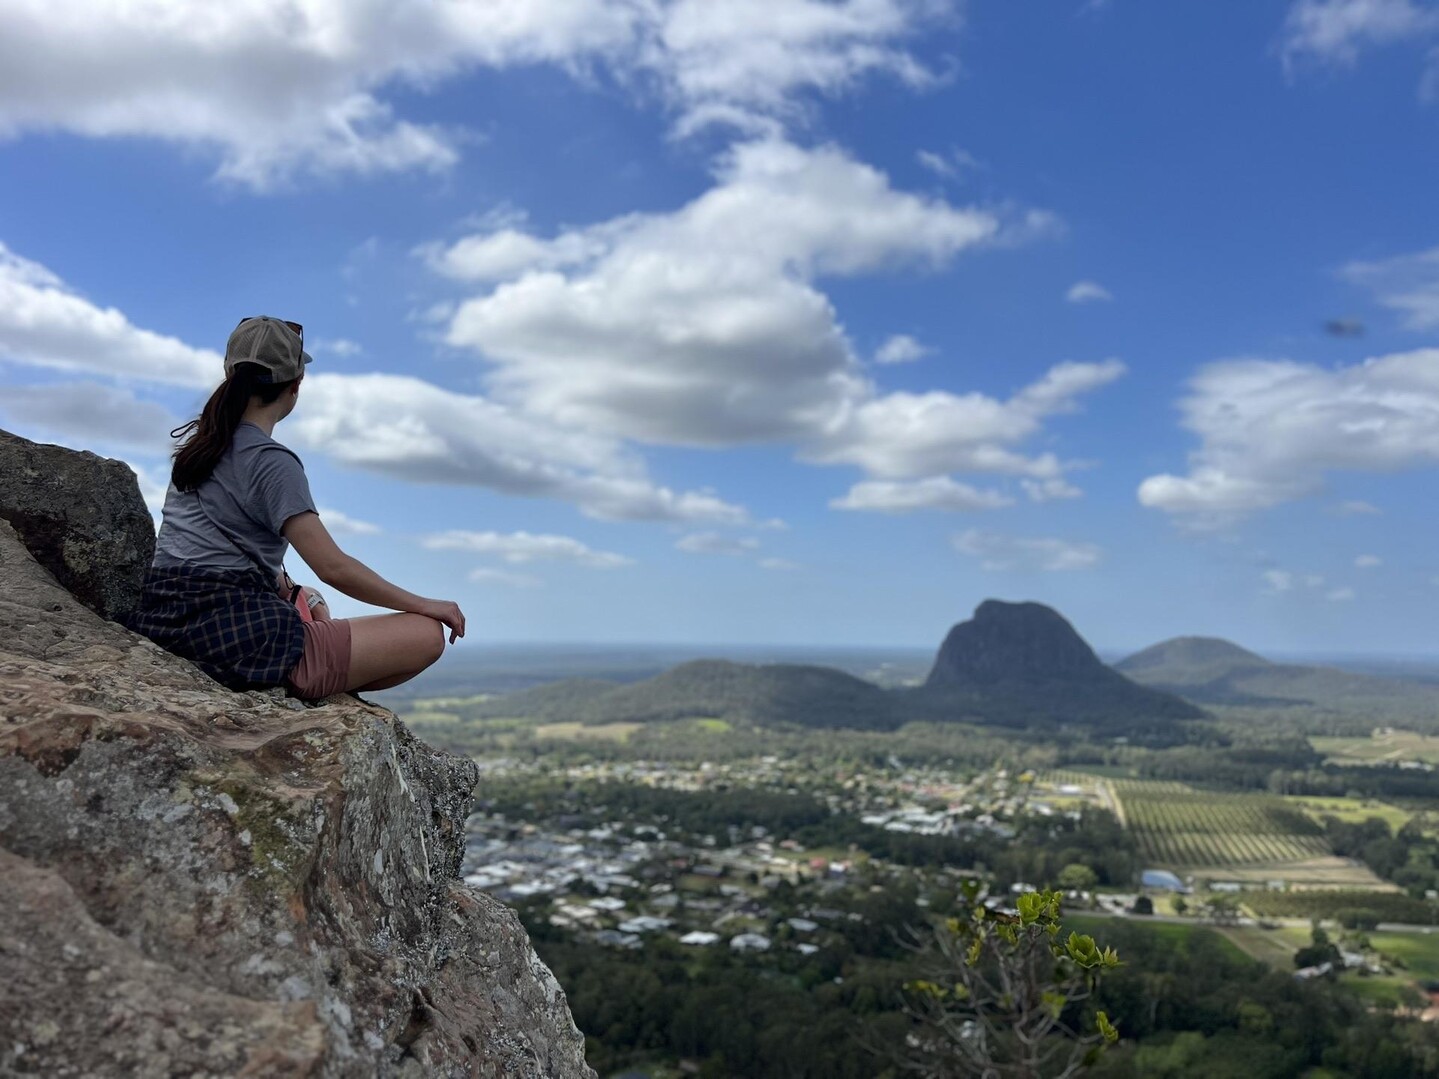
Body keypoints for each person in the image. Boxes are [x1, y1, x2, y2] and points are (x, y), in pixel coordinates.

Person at [128, 315, 464, 699]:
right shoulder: (272, 461)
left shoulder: (198, 450)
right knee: (425, 635)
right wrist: (426, 605)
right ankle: (306, 683)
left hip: (167, 616)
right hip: (231, 637)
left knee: (309, 597)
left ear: (229, 372)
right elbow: (333, 567)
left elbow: (205, 555)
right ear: (296, 386)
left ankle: (316, 661)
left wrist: (307, 596)